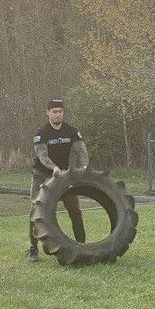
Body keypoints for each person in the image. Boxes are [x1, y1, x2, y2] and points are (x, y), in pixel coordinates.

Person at [27, 98, 89, 261]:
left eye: (60, 111)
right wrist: (53, 167)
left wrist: (84, 169)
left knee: (75, 209)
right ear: (48, 113)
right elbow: (42, 155)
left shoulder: (71, 131)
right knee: (36, 210)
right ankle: (33, 248)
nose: (58, 115)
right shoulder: (41, 133)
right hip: (43, 174)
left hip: (63, 176)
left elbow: (82, 151)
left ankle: (82, 245)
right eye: (54, 112)